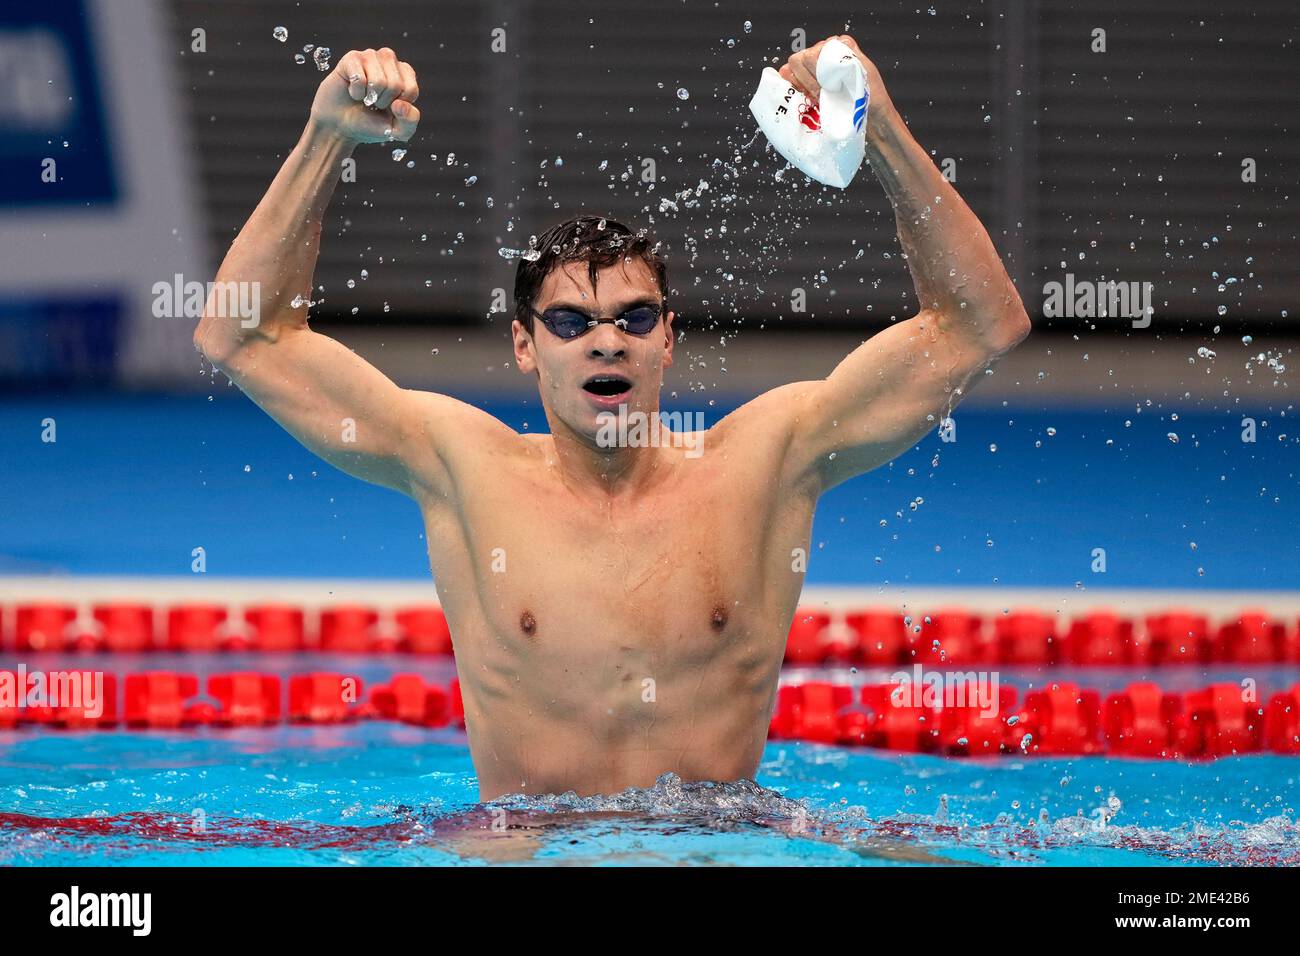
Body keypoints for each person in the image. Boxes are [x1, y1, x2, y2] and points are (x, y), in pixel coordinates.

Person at [194, 38, 1030, 802]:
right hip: (527, 853)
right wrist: (323, 140)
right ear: (524, 346)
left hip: (720, 851)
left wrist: (877, 127)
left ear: (669, 339)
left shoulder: (766, 460)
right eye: (569, 323)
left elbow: (981, 325)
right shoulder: (458, 464)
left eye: (634, 319)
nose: (606, 344)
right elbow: (243, 335)